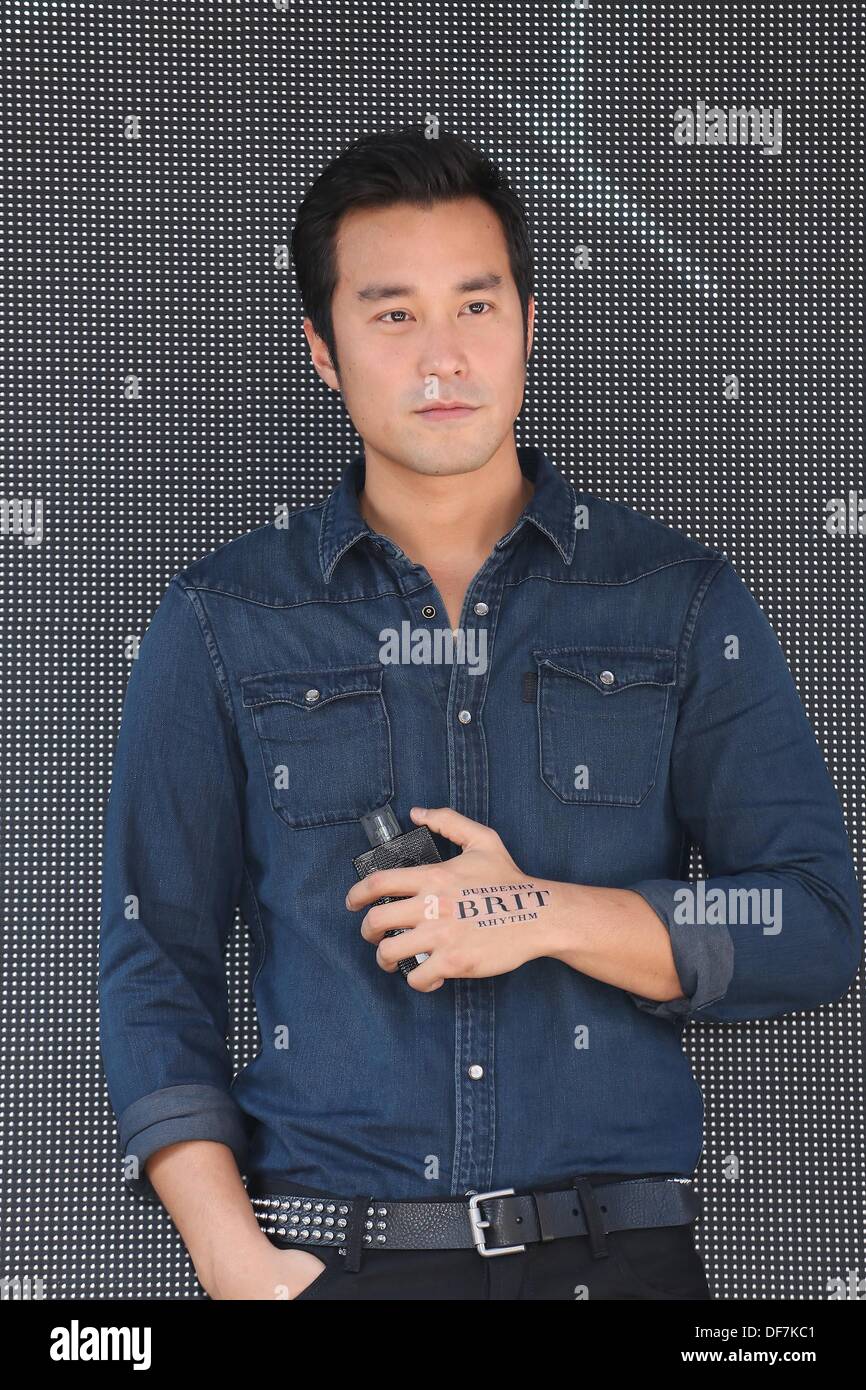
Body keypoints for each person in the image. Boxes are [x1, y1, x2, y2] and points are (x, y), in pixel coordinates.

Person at [98, 124, 862, 1302]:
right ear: (322, 347)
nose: (440, 358)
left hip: (620, 1264)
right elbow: (158, 966)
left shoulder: (677, 599)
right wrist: (234, 1263)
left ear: (528, 324)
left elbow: (808, 920)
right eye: (392, 314)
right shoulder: (219, 618)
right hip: (330, 1263)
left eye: (475, 305)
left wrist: (542, 910)